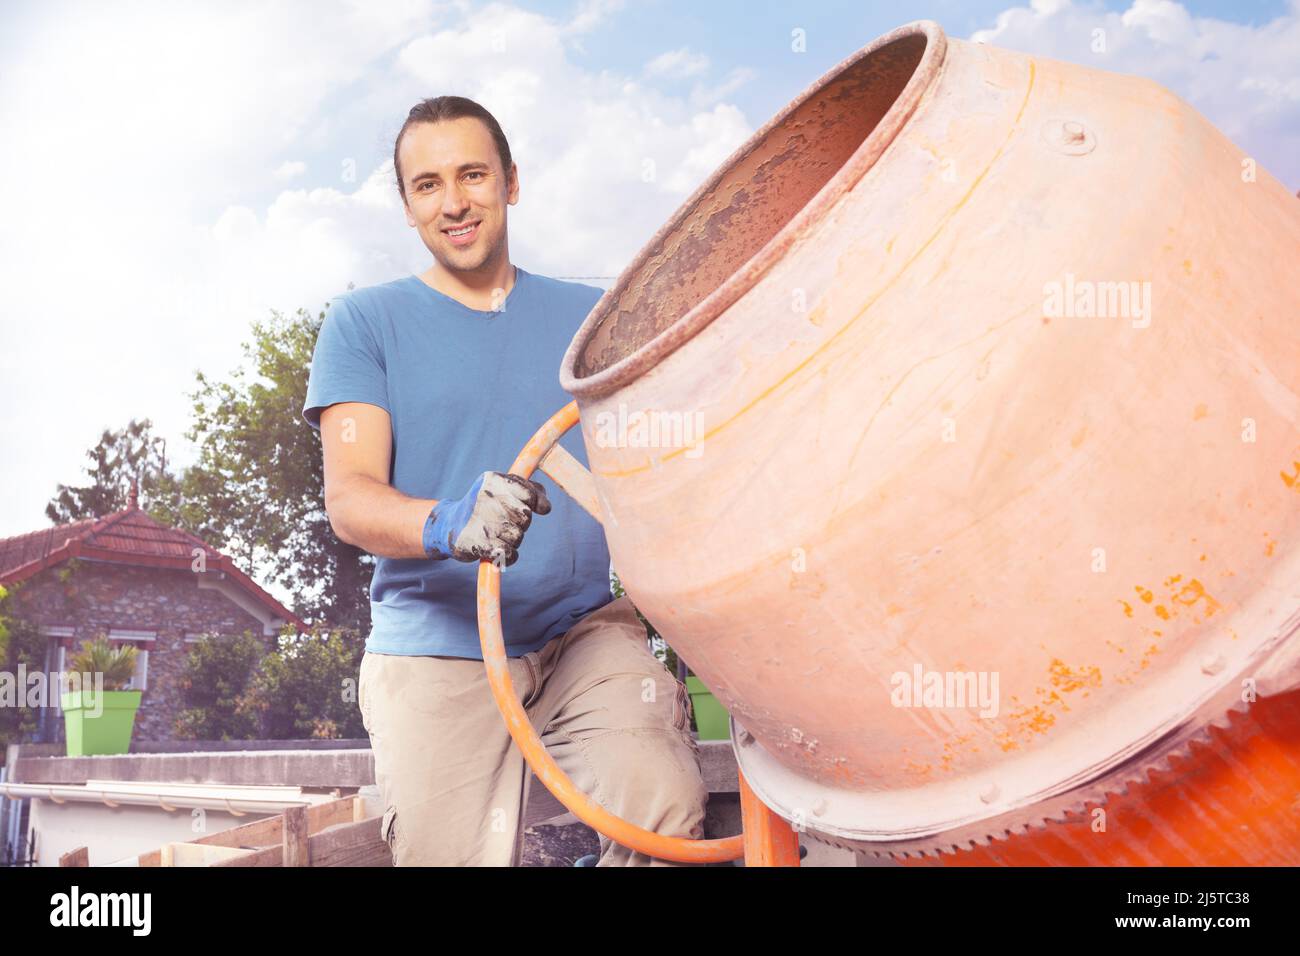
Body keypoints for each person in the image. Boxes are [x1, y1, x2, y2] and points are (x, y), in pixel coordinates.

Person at [301, 95, 708, 866]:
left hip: (580, 637)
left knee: (663, 807)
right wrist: (450, 522)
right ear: (409, 206)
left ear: (511, 183)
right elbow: (350, 499)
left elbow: (665, 461)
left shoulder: (592, 320)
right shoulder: (363, 324)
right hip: (436, 647)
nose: (453, 202)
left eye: (472, 175)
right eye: (427, 185)